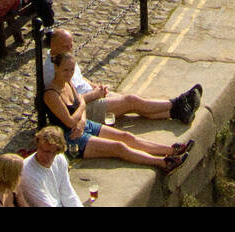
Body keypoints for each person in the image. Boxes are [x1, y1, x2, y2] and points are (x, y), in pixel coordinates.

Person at [42, 53, 189, 173]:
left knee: (126, 136)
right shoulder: (51, 94)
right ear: (56, 67)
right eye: (65, 70)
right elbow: (69, 121)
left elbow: (81, 106)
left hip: (82, 124)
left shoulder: (69, 83)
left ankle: (170, 150)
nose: (69, 74)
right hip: (70, 138)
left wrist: (81, 119)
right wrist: (81, 106)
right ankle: (163, 163)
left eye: (72, 70)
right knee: (119, 147)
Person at [43, 29, 201, 124]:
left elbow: (79, 78)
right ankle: (177, 103)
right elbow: (72, 99)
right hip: (84, 107)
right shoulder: (55, 69)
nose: (70, 48)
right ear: (53, 46)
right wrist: (95, 94)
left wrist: (95, 86)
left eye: (71, 44)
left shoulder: (63, 57)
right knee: (131, 101)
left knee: (135, 104)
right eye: (65, 45)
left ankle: (177, 112)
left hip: (93, 95)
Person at [18, 128, 86, 207]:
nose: (43, 155)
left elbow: (68, 193)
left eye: (48, 152)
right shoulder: (27, 172)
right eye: (41, 149)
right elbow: (44, 204)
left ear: (57, 151)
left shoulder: (60, 159)